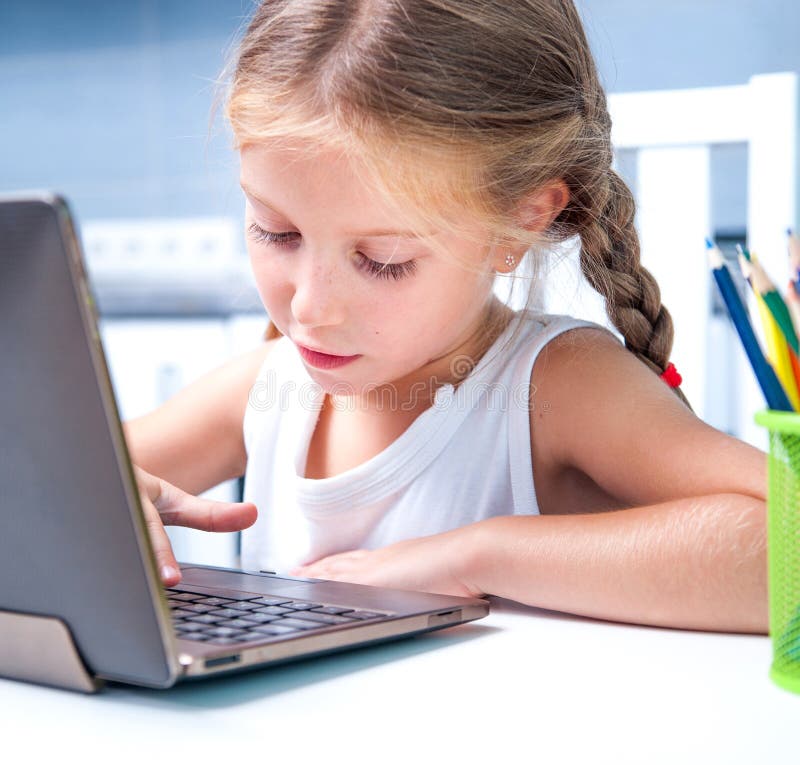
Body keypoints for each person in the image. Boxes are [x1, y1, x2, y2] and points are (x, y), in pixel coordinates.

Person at [126, 0, 767, 634]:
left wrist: (480, 555)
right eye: (277, 232)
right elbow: (48, 473)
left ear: (522, 220)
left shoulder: (555, 388)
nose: (308, 309)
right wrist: (103, 495)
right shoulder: (270, 388)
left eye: (384, 260)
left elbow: (784, 541)